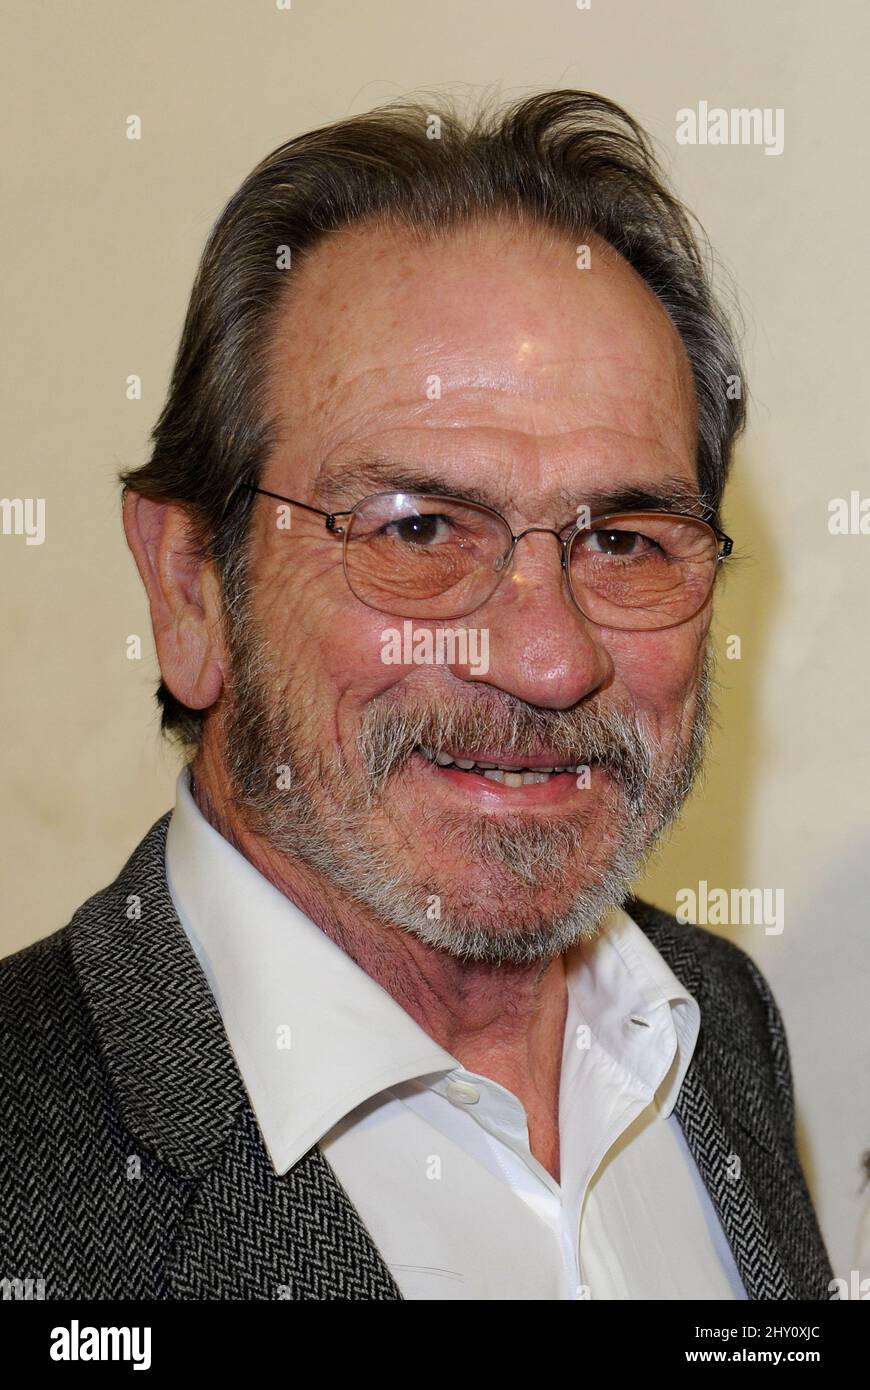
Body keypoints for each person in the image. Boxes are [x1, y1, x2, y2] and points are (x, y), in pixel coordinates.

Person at [0, 90, 833, 1300]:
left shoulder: (713, 1024)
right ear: (191, 590)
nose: (550, 660)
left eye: (624, 540)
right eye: (421, 527)